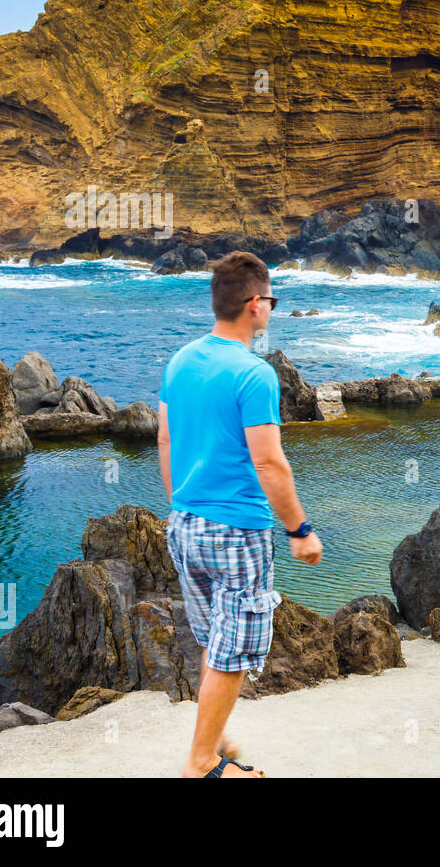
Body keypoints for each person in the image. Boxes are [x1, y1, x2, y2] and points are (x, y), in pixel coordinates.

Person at [158, 252, 324, 778]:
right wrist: (299, 529)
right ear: (255, 305)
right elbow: (270, 462)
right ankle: (203, 763)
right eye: (271, 300)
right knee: (233, 652)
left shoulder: (180, 361)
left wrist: (181, 502)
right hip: (237, 534)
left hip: (184, 524)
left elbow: (164, 439)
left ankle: (216, 740)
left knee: (214, 641)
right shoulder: (254, 375)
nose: (272, 308)